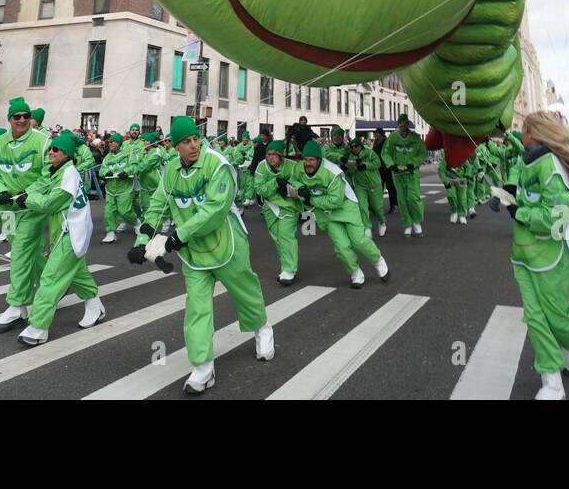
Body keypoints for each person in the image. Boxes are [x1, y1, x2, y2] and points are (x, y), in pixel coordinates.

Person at [129, 116, 275, 394]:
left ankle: (262, 328)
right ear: (174, 146)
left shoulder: (216, 164)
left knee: (245, 292)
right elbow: (158, 206)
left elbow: (215, 210)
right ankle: (202, 366)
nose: (194, 144)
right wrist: (142, 240)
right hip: (193, 253)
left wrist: (176, 237)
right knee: (196, 307)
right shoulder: (171, 170)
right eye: (186, 141)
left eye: (196, 138)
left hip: (226, 244)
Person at [490, 111, 569, 400]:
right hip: (522, 255)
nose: (520, 134)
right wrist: (507, 191)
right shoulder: (527, 159)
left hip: (553, 257)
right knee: (534, 318)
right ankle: (551, 380)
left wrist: (518, 211)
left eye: (523, 130)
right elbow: (516, 172)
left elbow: (556, 217)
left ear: (533, 134)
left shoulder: (552, 165)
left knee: (556, 316)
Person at [14, 131, 107, 345]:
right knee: (77, 274)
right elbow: (41, 185)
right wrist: (20, 193)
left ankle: (38, 327)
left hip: (72, 232)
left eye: (56, 149)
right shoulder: (56, 171)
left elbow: (49, 204)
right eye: (51, 148)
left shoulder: (68, 175)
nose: (51, 151)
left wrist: (26, 199)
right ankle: (95, 306)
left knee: (51, 278)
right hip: (67, 231)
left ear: (67, 154)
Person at [0, 97, 54, 333]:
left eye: (26, 115)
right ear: (10, 119)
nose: (22, 120)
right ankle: (53, 286)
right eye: (17, 116)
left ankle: (16, 307)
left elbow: (49, 173)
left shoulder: (43, 141)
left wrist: (28, 192)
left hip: (31, 209)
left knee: (21, 253)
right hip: (8, 212)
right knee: (29, 255)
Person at [290, 140, 390, 288]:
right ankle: (355, 273)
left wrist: (310, 199)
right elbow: (293, 179)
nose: (307, 163)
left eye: (311, 160)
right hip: (326, 213)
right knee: (341, 246)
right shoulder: (300, 168)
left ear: (319, 160)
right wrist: (300, 187)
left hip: (346, 207)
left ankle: (378, 261)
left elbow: (335, 201)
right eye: (305, 159)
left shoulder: (332, 172)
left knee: (359, 241)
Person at [253, 140, 303, 284]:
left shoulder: (292, 166)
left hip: (289, 206)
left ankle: (289, 269)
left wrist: (291, 185)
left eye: (275, 154)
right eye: (268, 154)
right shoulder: (262, 166)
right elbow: (260, 189)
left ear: (281, 155)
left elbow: (300, 184)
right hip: (270, 207)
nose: (271, 158)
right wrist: (275, 182)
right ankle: (287, 266)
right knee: (277, 237)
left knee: (286, 235)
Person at [382, 113, 426, 237]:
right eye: (400, 123)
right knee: (402, 200)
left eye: (405, 123)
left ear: (408, 124)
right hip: (398, 174)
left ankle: (416, 222)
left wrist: (413, 164)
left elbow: (423, 153)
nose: (402, 126)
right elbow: (385, 153)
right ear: (398, 124)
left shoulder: (416, 138)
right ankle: (407, 224)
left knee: (413, 198)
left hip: (412, 174)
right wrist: (392, 165)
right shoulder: (392, 138)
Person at [98, 132, 137, 243]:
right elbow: (101, 171)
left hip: (124, 188)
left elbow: (135, 166)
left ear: (119, 143)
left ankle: (136, 223)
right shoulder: (107, 157)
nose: (109, 143)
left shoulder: (128, 154)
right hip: (110, 189)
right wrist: (107, 172)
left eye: (112, 141)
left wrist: (126, 172)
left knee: (124, 211)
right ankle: (110, 233)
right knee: (108, 211)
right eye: (109, 141)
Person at [344, 135, 386, 236]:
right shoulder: (351, 156)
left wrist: (365, 165)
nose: (354, 148)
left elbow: (378, 163)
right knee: (362, 207)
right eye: (352, 147)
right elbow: (350, 172)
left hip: (374, 185)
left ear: (361, 145)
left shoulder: (369, 152)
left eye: (356, 146)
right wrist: (347, 168)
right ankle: (367, 228)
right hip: (360, 186)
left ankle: (382, 222)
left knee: (377, 208)